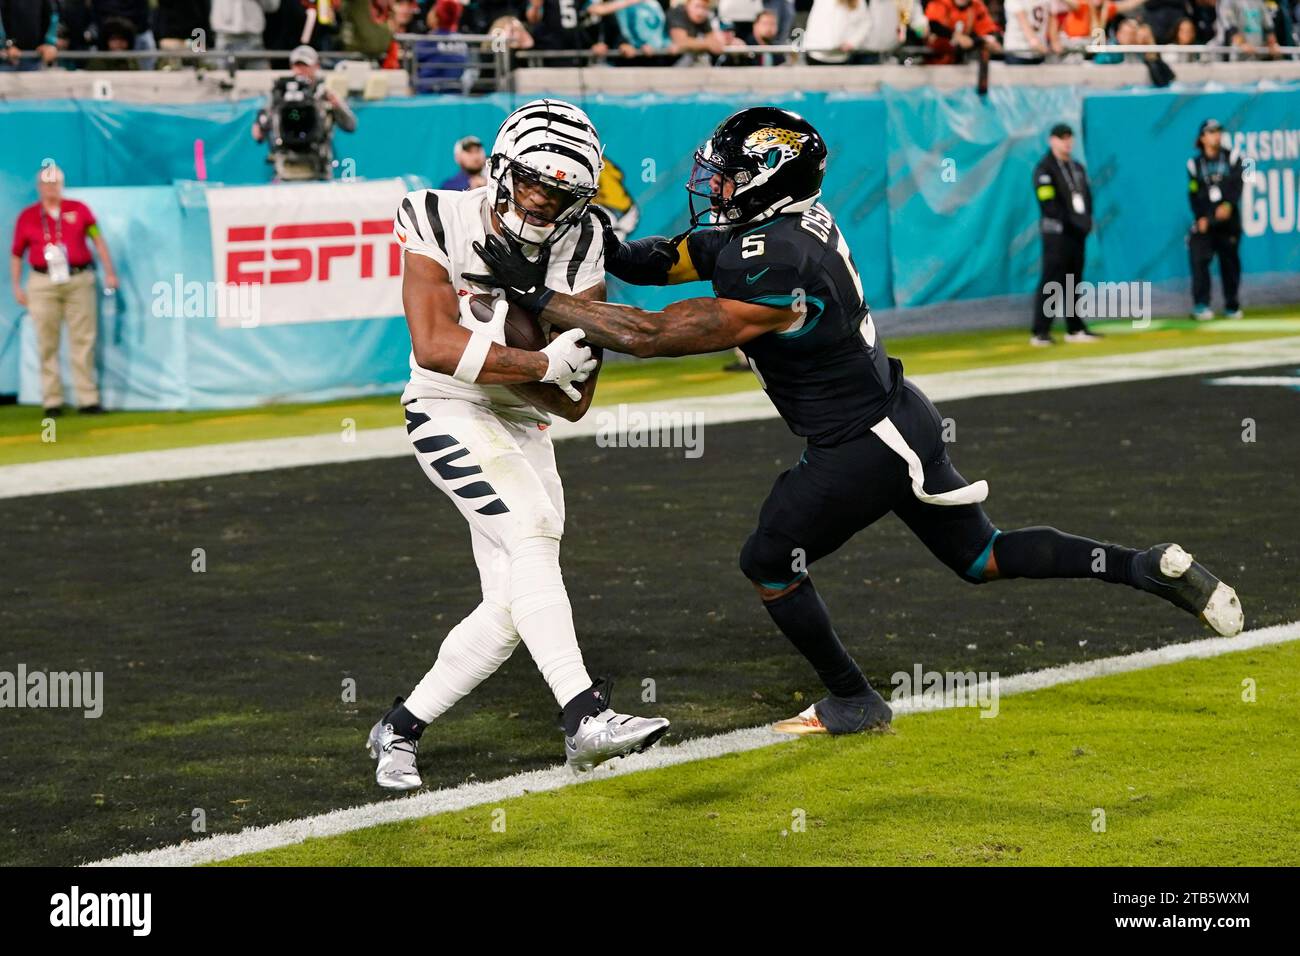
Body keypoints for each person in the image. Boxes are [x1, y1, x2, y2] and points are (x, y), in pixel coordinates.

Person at [466, 106, 1245, 737]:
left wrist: (535, 295)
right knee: (982, 558)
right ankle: (1146, 567)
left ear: (769, 182)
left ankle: (852, 698)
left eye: (732, 175)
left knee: (769, 562)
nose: (718, 185)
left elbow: (655, 334)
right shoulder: (786, 225)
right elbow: (667, 255)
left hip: (860, 444)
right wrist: (587, 226)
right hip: (902, 415)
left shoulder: (773, 253)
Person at [368, 99, 669, 790]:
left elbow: (575, 401)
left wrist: (528, 300)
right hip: (447, 407)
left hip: (525, 421)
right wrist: (536, 361)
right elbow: (435, 347)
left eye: (561, 192)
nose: (542, 200)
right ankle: (585, 717)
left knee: (511, 606)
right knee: (531, 531)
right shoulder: (434, 213)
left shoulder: (583, 239)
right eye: (533, 181)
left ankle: (400, 728)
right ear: (502, 169)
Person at [10, 164, 119, 417]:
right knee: (47, 341)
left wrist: (109, 271)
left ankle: (87, 398)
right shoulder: (28, 217)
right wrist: (16, 285)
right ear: (39, 187)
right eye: (46, 184)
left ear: (62, 184)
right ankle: (52, 400)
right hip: (42, 283)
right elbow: (17, 254)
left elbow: (97, 239)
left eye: (55, 183)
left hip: (78, 279)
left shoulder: (79, 210)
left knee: (83, 339)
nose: (51, 188)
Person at [1030, 123, 1099, 345]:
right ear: (1052, 140)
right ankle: (1041, 331)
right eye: (1062, 137)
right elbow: (1048, 203)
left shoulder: (1077, 167)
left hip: (1077, 234)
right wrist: (1072, 222)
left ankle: (1075, 327)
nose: (1067, 141)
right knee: (1052, 281)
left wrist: (1085, 220)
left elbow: (1086, 197)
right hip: (1057, 234)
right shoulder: (1044, 169)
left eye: (1069, 137)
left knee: (1074, 280)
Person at [252, 45, 358, 180]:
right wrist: (264, 119)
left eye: (305, 65)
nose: (300, 71)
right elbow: (257, 134)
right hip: (285, 168)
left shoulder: (325, 94)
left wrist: (336, 105)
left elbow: (351, 126)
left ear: (316, 66)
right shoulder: (278, 95)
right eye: (297, 65)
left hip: (319, 167)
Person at [1187, 118, 1245, 320]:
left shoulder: (1233, 157)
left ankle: (1232, 304)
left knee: (1229, 262)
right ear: (1202, 137)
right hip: (1206, 221)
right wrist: (1201, 217)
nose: (1216, 135)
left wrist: (1228, 203)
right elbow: (1194, 193)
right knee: (1199, 258)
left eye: (1218, 131)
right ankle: (1201, 304)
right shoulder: (1194, 164)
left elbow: (1239, 182)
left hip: (1228, 222)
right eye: (1211, 132)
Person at [923, 0, 1003, 64]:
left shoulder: (976, 5)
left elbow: (988, 29)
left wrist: (989, 41)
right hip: (935, 58)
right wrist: (956, 36)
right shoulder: (941, 2)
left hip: (959, 59)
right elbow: (933, 24)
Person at [211, 0, 281, 69]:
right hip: (225, 41)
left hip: (254, 42)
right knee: (222, 79)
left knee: (261, 79)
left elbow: (273, 6)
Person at [0, 0, 60, 71]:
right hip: (7, 59)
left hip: (35, 57)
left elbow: (52, 16)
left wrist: (48, 44)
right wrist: (8, 45)